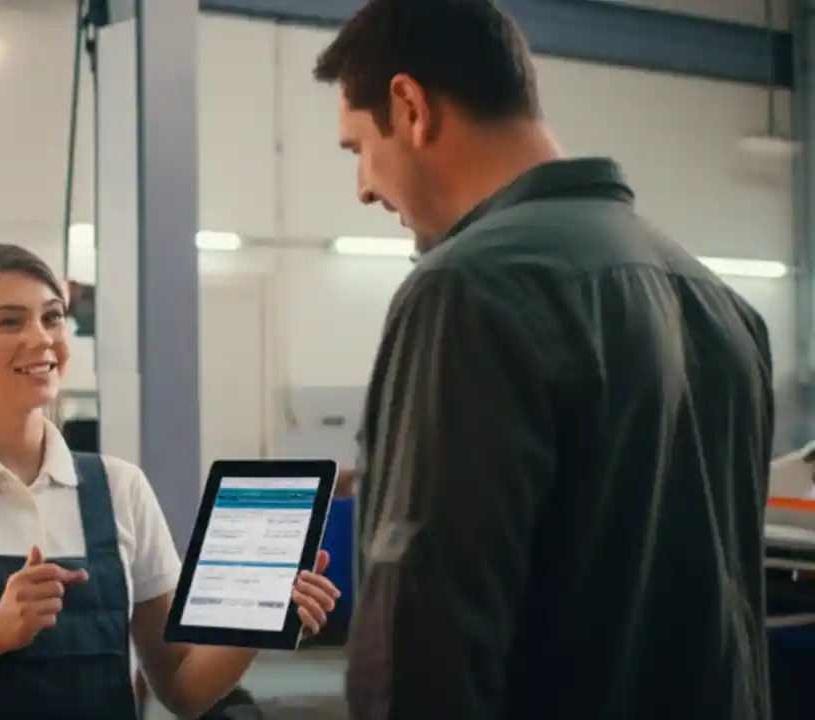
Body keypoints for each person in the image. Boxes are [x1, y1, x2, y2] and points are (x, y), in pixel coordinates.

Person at [313, 1, 775, 719]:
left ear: (410, 107)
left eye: (355, 149)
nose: (364, 188)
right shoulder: (720, 303)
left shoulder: (468, 287)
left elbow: (425, 637)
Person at [0, 243, 341, 720]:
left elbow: (183, 690)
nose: (41, 337)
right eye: (9, 321)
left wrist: (262, 617)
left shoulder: (120, 488)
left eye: (52, 316)